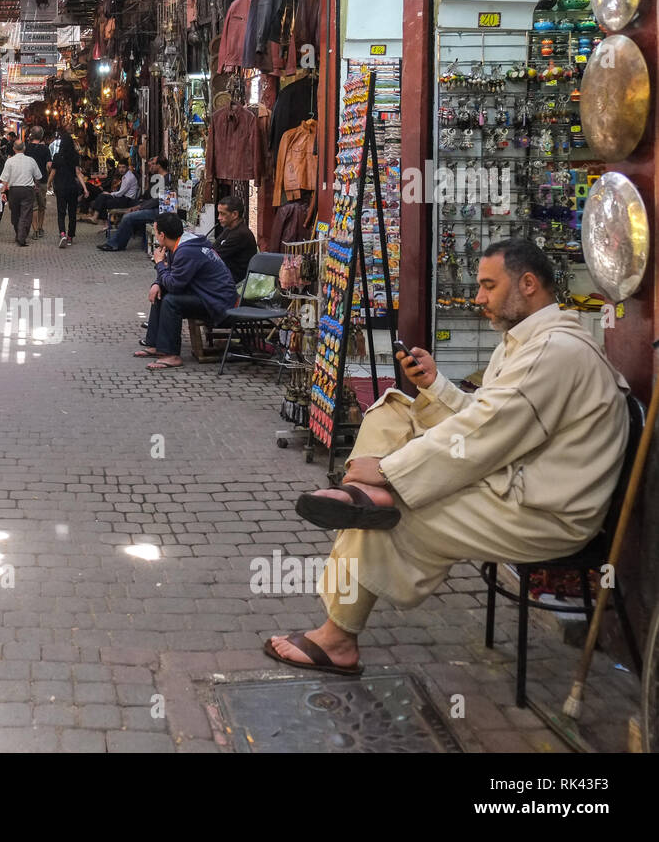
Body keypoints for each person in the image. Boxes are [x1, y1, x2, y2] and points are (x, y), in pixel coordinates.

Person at [265, 238, 629, 676]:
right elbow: (489, 419)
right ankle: (364, 493)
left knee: (391, 514)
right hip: (516, 481)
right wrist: (436, 386)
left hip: (544, 512)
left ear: (528, 284)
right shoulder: (528, 342)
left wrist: (389, 471)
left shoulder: (554, 351)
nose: (478, 298)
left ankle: (338, 640)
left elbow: (484, 434)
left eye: (489, 286)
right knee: (395, 407)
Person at [133, 213, 238, 371]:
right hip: (204, 294)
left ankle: (171, 355)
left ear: (162, 235)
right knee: (160, 292)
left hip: (217, 301)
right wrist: (157, 283)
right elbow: (171, 273)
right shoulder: (180, 244)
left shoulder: (186, 251)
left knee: (171, 301)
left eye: (156, 232)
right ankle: (154, 344)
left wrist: (159, 263)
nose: (155, 235)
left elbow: (174, 284)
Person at [98, 157, 171, 252]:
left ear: (159, 166)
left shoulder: (165, 179)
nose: (150, 166)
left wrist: (139, 207)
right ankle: (118, 243)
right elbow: (147, 196)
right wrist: (138, 204)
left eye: (153, 164)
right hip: (150, 206)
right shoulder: (156, 178)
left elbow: (157, 200)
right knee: (128, 214)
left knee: (128, 217)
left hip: (158, 210)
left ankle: (115, 244)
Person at [0, 140, 43, 246]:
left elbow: (4, 179)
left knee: (15, 213)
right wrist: (36, 185)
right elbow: (38, 176)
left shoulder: (9, 161)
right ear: (24, 148)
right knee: (26, 214)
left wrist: (2, 192)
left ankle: (19, 234)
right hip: (27, 190)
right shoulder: (31, 160)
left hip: (13, 191)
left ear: (14, 149)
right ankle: (22, 236)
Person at [208, 196, 259, 284]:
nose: (219, 217)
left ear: (235, 214)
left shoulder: (241, 234)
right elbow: (213, 249)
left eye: (222, 214)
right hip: (225, 274)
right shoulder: (229, 229)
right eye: (219, 213)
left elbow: (215, 256)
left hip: (235, 281)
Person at [47, 132, 85, 248]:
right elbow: (78, 173)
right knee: (72, 213)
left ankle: (62, 233)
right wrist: (85, 188)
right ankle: (70, 237)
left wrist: (48, 184)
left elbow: (53, 173)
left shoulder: (57, 156)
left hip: (60, 188)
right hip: (72, 187)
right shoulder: (75, 156)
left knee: (61, 212)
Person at [89, 160, 140, 226]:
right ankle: (98, 218)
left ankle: (102, 221)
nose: (121, 169)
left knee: (104, 200)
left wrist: (110, 194)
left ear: (127, 167)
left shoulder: (128, 178)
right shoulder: (125, 176)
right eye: (120, 167)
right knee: (102, 196)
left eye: (123, 167)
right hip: (122, 198)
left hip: (126, 201)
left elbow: (120, 193)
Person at [24, 125, 52, 239]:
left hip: (29, 181)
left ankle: (34, 230)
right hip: (42, 180)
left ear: (31, 135)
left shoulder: (26, 148)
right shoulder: (46, 149)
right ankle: (40, 228)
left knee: (33, 206)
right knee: (42, 206)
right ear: (41, 136)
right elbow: (49, 165)